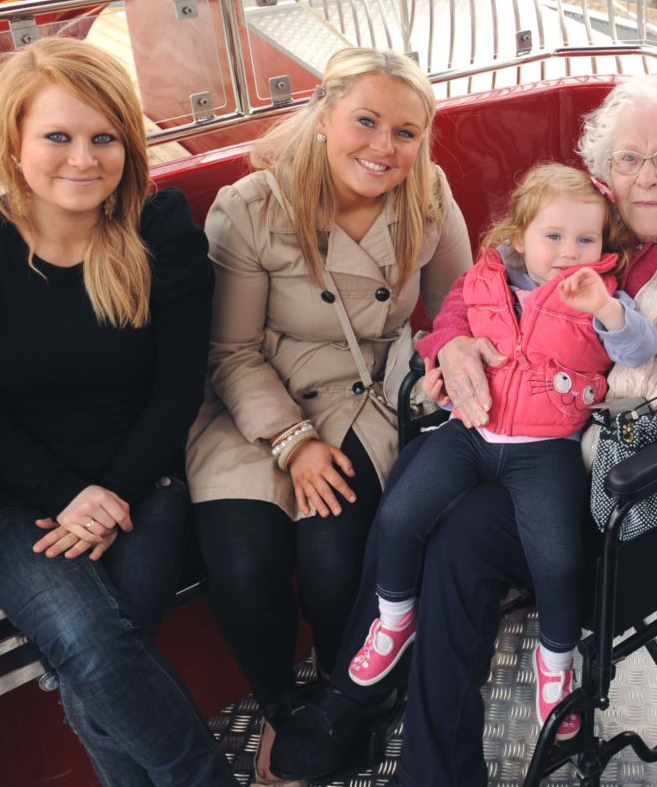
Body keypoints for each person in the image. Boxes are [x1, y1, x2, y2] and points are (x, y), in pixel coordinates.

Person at [294, 74, 657, 786]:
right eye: (628, 160)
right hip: (558, 447)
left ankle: (407, 743)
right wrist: (449, 346)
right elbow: (491, 293)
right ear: (603, 174)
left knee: (460, 539)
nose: (647, 177)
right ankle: (388, 712)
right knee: (429, 499)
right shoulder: (596, 231)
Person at [0, 38, 233, 786]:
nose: (82, 159)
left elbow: (178, 386)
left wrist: (112, 492)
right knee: (93, 647)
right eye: (57, 136)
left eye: (103, 137)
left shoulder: (160, 233)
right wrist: (67, 495)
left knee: (97, 661)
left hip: (143, 487)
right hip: (20, 504)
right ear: (13, 143)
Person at [185, 48, 472, 783]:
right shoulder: (252, 207)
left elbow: (463, 312)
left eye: (405, 133)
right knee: (242, 564)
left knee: (335, 560)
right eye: (366, 122)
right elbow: (231, 350)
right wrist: (292, 442)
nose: (384, 147)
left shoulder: (427, 195)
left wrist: (451, 365)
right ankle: (287, 712)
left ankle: (351, 698)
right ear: (323, 118)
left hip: (367, 394)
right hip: (260, 403)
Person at [348, 163, 657, 743]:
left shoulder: (599, 293)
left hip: (547, 450)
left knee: (558, 558)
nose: (569, 253)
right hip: (472, 433)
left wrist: (606, 308)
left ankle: (556, 664)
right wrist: (448, 349)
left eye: (586, 240)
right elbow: (445, 327)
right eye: (554, 237)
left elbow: (639, 349)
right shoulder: (484, 281)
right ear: (519, 238)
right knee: (397, 516)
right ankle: (394, 619)